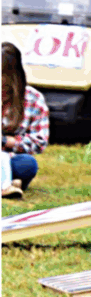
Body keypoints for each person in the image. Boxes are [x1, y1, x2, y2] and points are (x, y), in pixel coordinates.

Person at [1, 41, 48, 196]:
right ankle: (8, 183)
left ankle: (7, 181)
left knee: (27, 165)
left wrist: (7, 141)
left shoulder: (33, 98)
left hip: (10, 157)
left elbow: (39, 141)